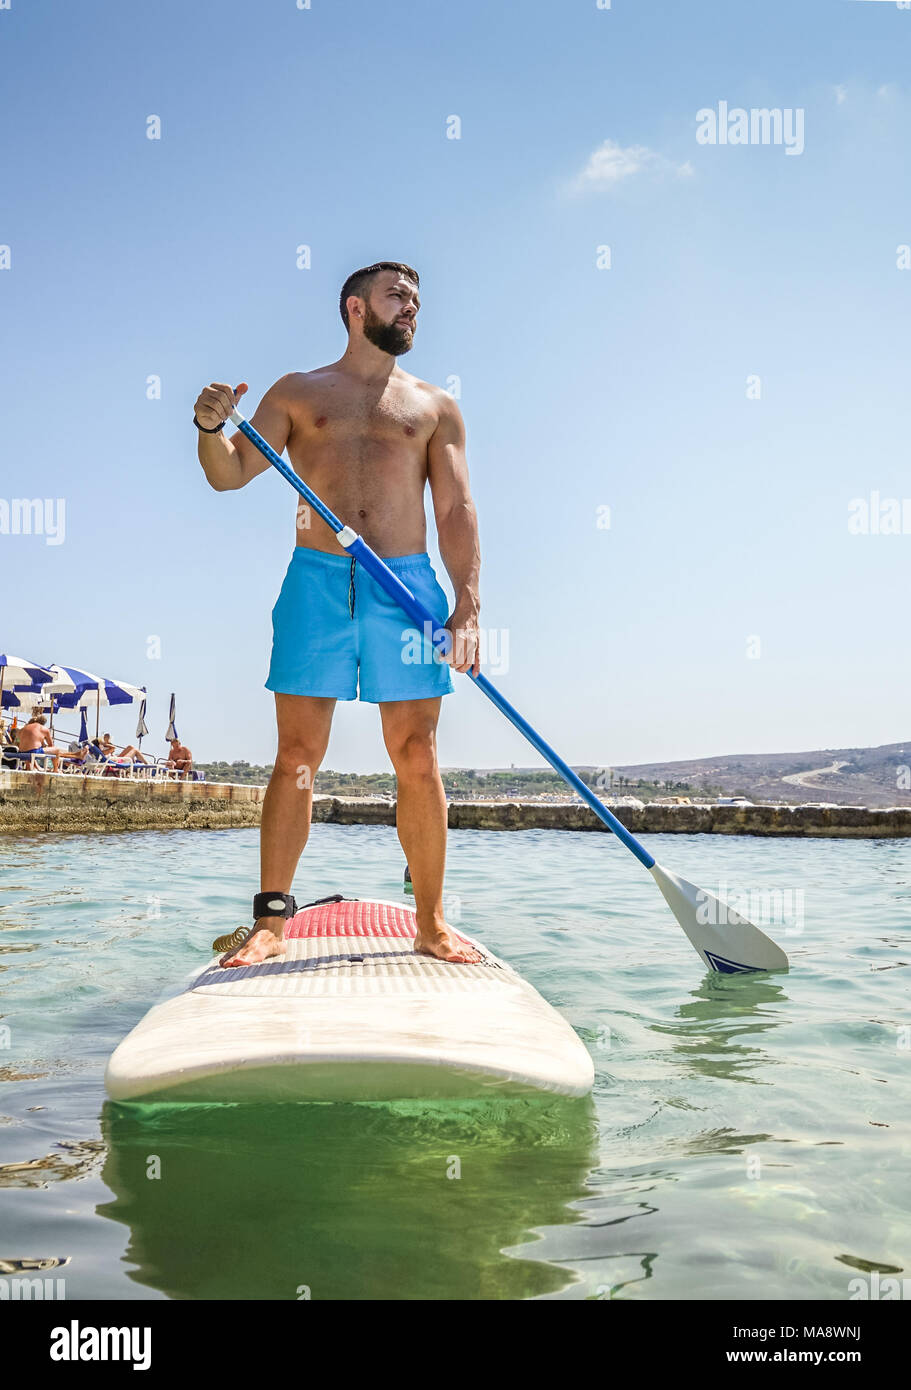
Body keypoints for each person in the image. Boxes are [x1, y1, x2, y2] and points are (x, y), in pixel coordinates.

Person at [195, 262, 482, 968]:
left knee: (417, 755)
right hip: (316, 584)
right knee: (296, 757)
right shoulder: (297, 391)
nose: (411, 308)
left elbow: (454, 509)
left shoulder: (435, 406)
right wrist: (207, 427)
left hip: (406, 587)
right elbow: (229, 470)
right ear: (356, 307)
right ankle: (269, 924)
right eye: (397, 297)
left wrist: (467, 605)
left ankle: (430, 921)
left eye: (417, 299)